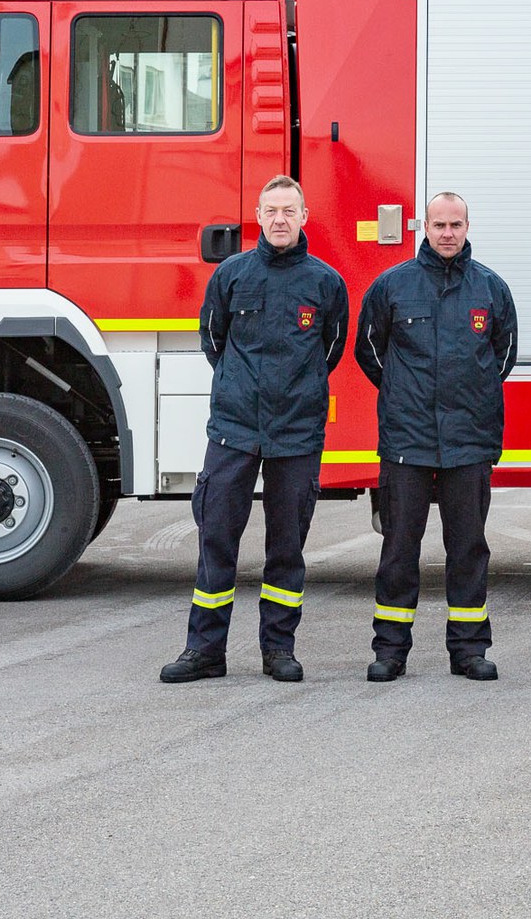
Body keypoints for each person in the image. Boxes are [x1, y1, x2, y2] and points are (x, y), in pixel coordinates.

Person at [161, 176, 348, 685]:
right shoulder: (231, 276)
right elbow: (212, 339)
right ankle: (204, 651)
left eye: (290, 210)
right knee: (216, 538)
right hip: (234, 429)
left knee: (286, 546)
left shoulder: (326, 282)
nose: (281, 219)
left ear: (305, 216)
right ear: (258, 216)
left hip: (296, 433)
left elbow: (332, 349)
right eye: (272, 211)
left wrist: (298, 392)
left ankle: (278, 651)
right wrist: (241, 387)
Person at [355, 192, 518, 683]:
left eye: (456, 224)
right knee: (399, 549)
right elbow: (370, 353)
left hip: (469, 441)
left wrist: (469, 396)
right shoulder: (392, 287)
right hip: (407, 440)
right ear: (423, 226)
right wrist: (406, 394)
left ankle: (469, 651)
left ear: (469, 226)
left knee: (468, 547)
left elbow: (501, 356)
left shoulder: (490, 288)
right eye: (439, 224)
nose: (448, 233)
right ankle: (390, 651)